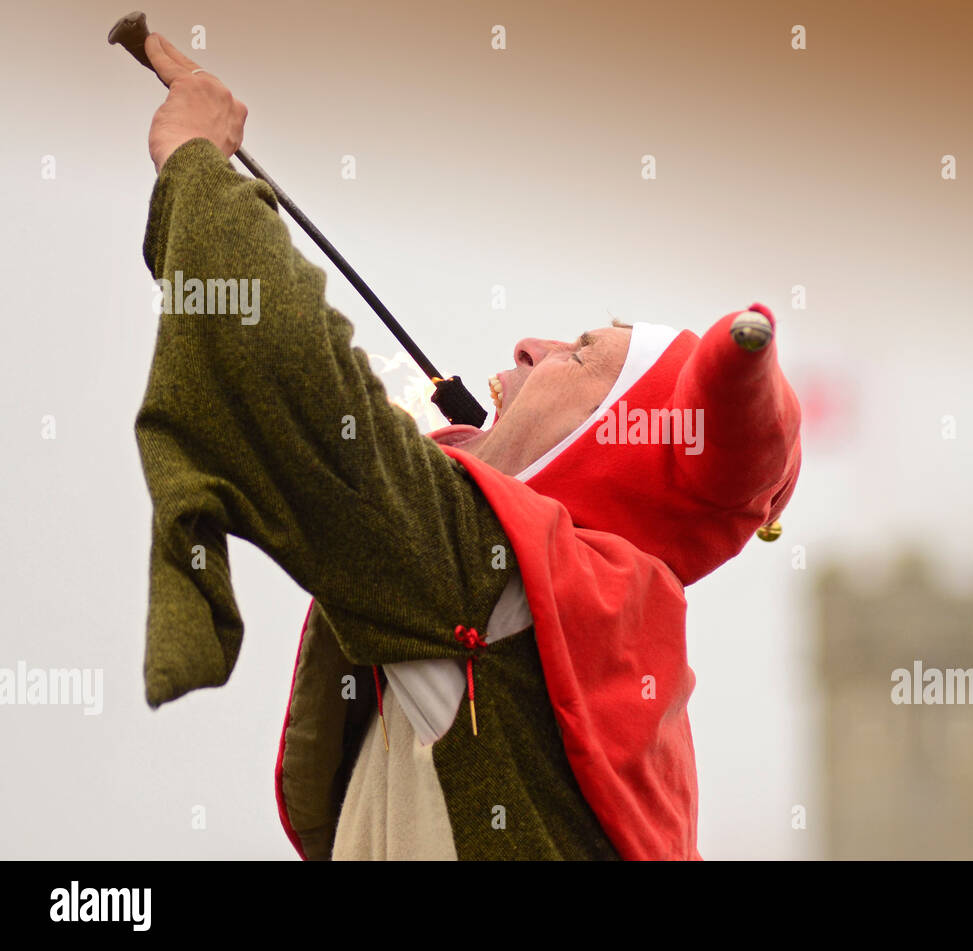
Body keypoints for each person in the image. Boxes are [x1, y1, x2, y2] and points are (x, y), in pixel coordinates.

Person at [135, 33, 801, 860]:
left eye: (582, 353)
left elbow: (286, 375)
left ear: (616, 447)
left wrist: (197, 161)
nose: (529, 346)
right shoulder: (572, 615)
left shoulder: (505, 574)